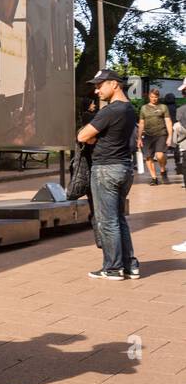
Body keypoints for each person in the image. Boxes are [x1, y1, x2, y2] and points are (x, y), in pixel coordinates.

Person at [77, 69, 139, 280]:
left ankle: (113, 268)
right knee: (119, 219)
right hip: (124, 167)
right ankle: (130, 265)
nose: (96, 90)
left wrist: (91, 136)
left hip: (105, 169)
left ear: (114, 84)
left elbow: (83, 135)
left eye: (100, 85)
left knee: (107, 221)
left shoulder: (109, 111)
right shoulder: (129, 109)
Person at [138, 88, 171, 185]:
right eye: (152, 97)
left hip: (161, 134)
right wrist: (139, 138)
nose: (154, 99)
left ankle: (163, 170)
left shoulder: (163, 107)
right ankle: (154, 178)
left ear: (158, 97)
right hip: (147, 135)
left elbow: (168, 122)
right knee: (148, 157)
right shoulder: (144, 108)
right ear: (149, 97)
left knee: (160, 155)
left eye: (156, 97)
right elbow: (141, 123)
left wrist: (170, 136)